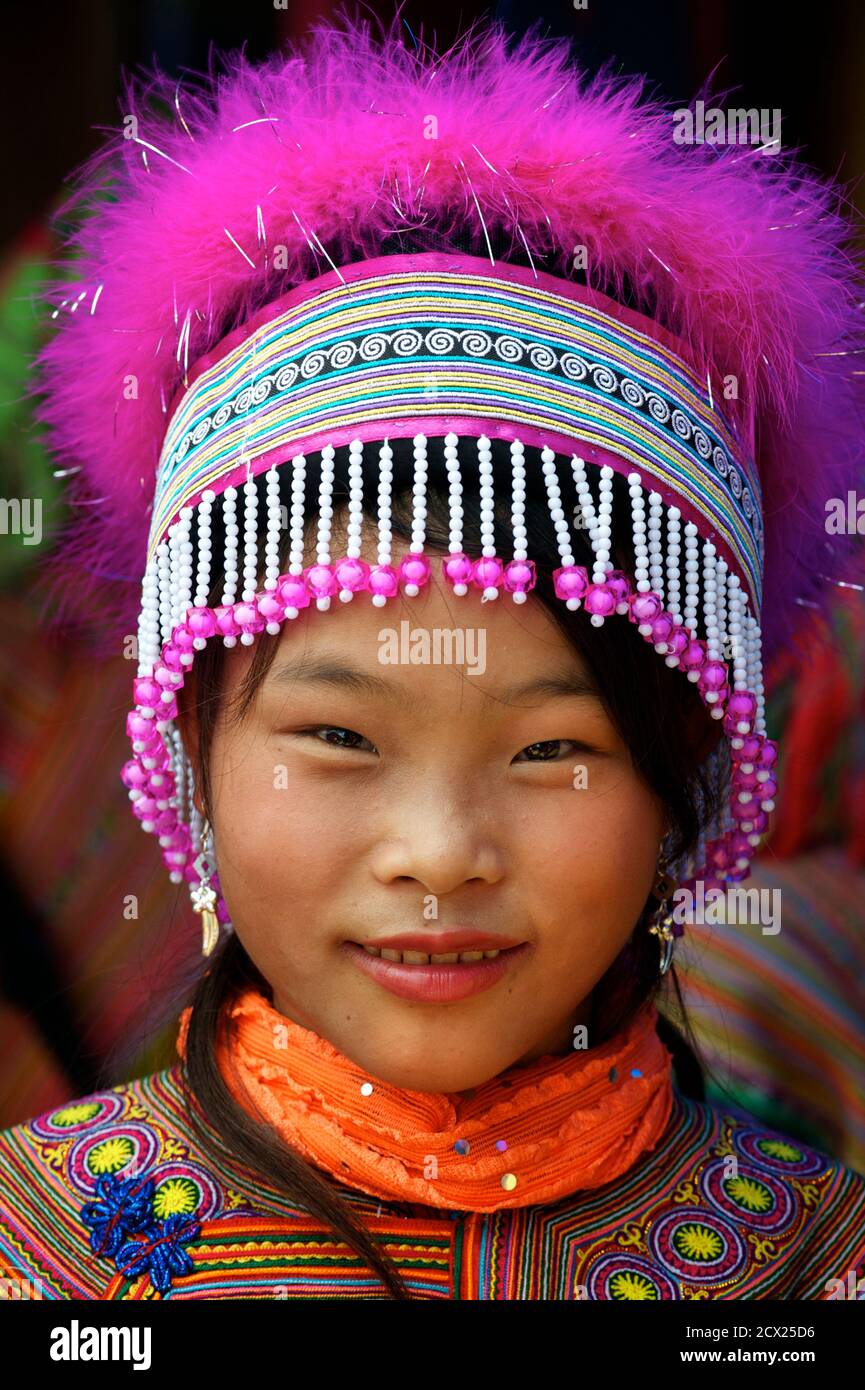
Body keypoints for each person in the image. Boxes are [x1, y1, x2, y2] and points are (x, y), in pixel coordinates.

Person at [1, 10, 864, 1301]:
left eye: (550, 748)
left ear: (687, 769)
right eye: (341, 736)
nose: (439, 846)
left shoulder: (806, 1261)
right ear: (190, 746)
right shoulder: (43, 1248)